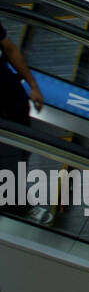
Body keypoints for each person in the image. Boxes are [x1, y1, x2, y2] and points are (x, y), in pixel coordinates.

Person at [0, 18, 53, 226]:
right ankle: (21, 205)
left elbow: (10, 49)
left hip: (13, 100)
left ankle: (15, 198)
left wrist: (32, 85)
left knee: (21, 152)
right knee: (8, 161)